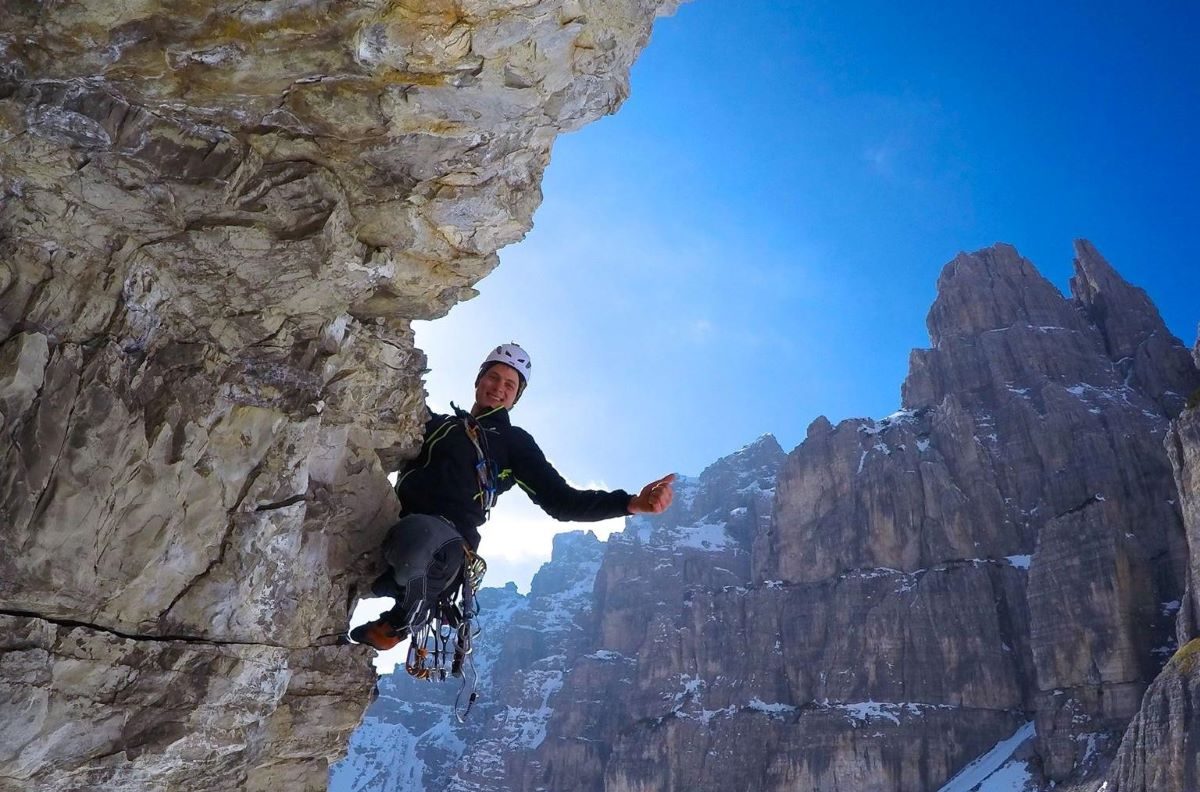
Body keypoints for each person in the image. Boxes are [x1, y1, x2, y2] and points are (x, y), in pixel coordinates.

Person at [351, 343, 675, 651]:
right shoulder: (436, 425)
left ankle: (399, 621)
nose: (499, 387)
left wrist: (629, 503)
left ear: (515, 398)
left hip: (444, 544)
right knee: (403, 534)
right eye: (493, 376)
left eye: (510, 384)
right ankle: (397, 596)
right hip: (395, 526)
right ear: (479, 380)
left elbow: (561, 501)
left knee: (424, 541)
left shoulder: (512, 442)